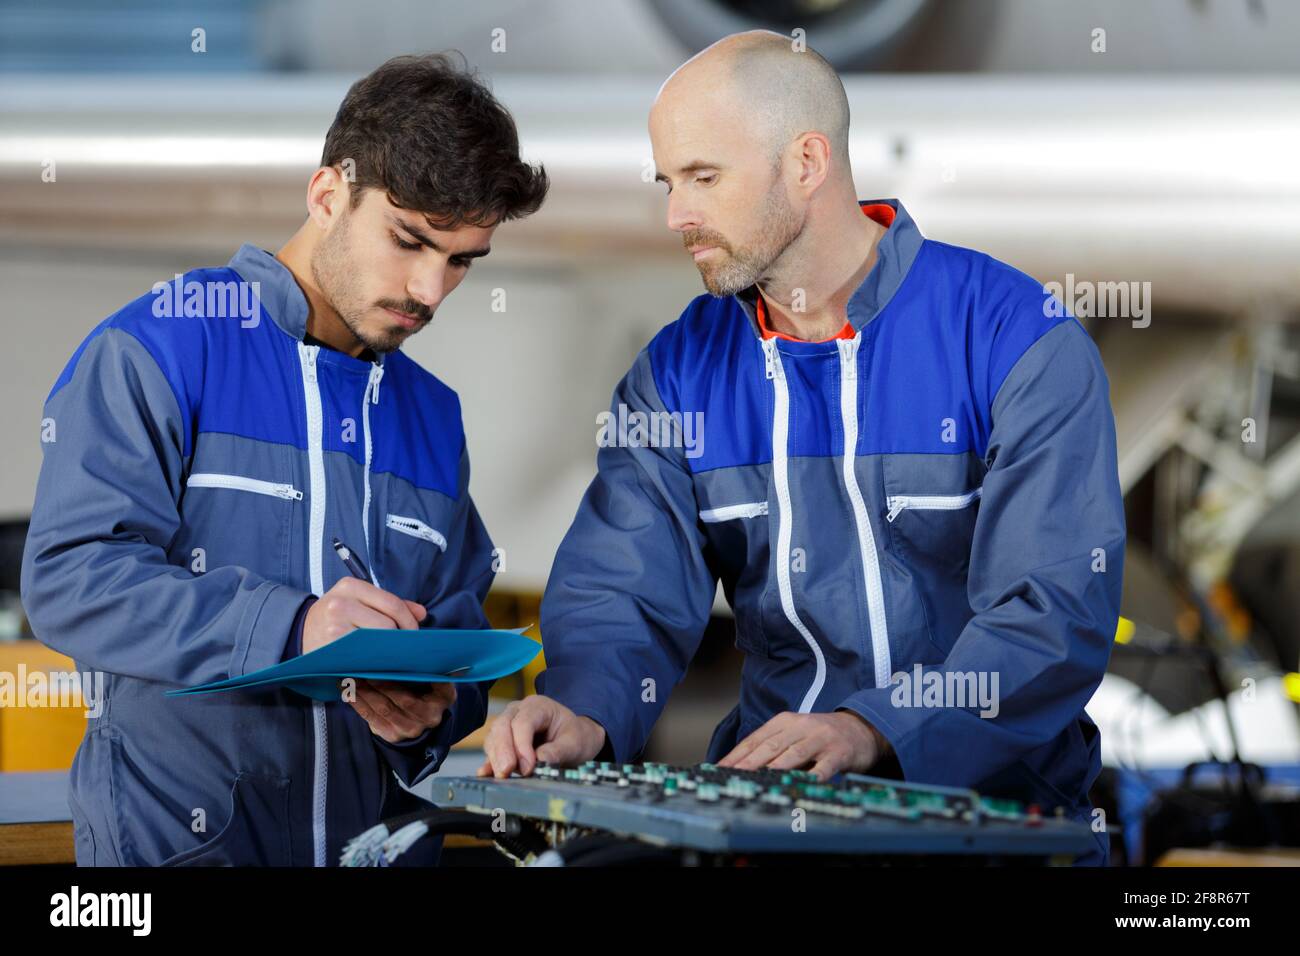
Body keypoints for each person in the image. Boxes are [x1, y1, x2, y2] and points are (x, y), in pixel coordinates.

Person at [479, 31, 1122, 866]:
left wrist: (874, 728)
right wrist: (583, 710)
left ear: (808, 162)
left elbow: (1052, 610)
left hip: (997, 832)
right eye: (669, 183)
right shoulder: (676, 374)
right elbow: (623, 589)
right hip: (772, 824)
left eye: (704, 177)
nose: (676, 215)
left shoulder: (1014, 339)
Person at [21, 52, 548, 866]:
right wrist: (294, 627)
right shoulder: (158, 350)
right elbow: (70, 578)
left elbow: (460, 628)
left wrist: (434, 710)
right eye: (409, 241)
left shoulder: (432, 416)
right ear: (328, 194)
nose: (431, 289)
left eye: (461, 260)